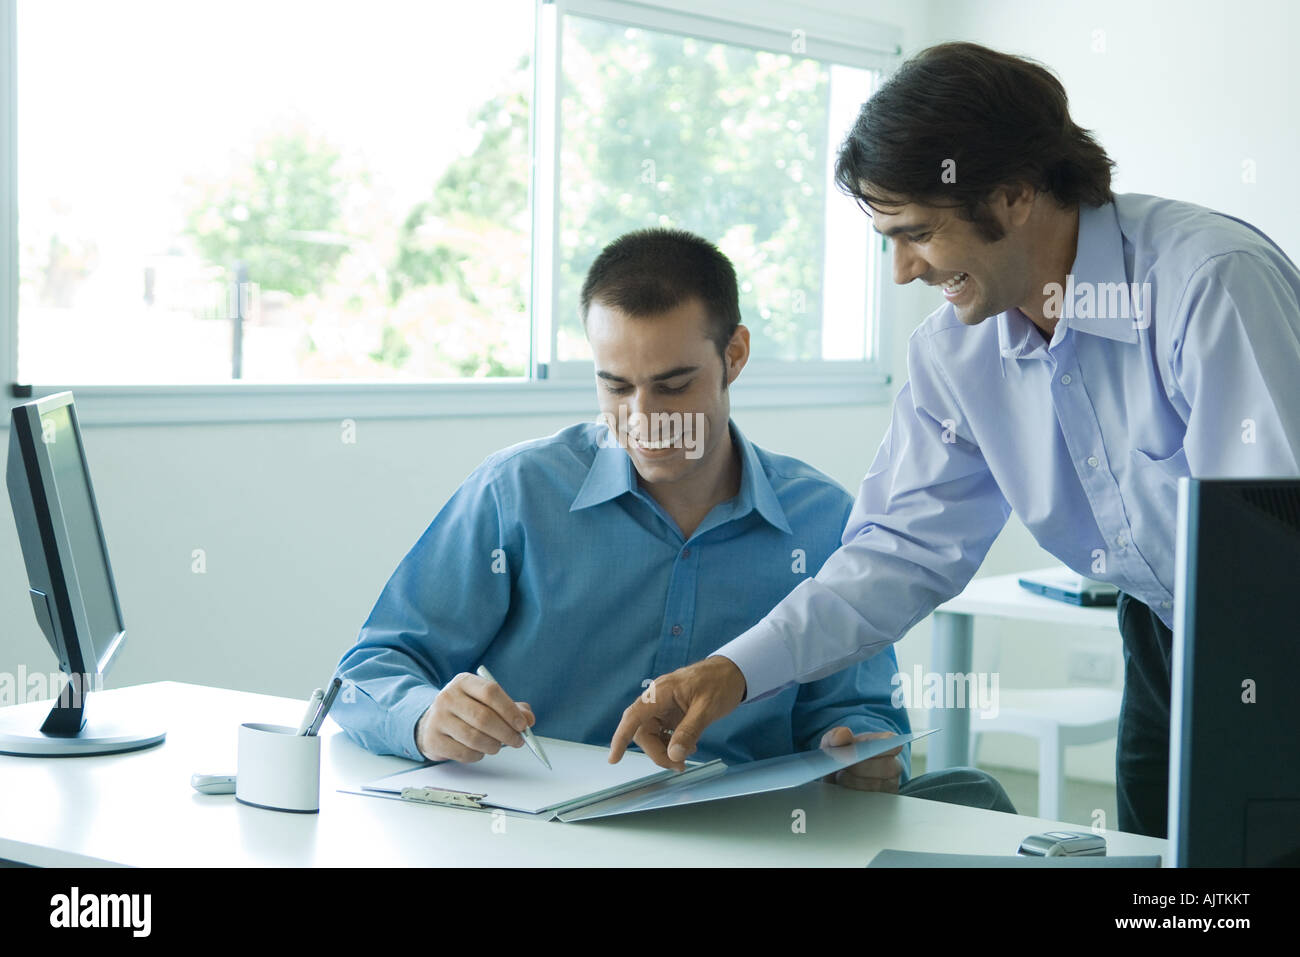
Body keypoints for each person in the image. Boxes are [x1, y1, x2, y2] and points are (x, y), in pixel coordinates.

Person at [608, 42, 1300, 840]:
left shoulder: (1209, 284)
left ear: (1012, 196)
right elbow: (896, 553)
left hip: (1275, 628)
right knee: (1166, 884)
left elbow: (1269, 547)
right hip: (1166, 637)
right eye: (887, 240)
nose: (903, 270)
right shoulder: (956, 352)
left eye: (918, 233)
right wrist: (734, 671)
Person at [331, 227, 1014, 812]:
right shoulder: (517, 494)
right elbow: (369, 670)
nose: (643, 418)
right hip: (540, 841)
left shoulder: (824, 518)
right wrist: (424, 717)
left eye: (674, 384)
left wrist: (856, 751)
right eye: (616, 385)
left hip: (745, 840)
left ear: (734, 355)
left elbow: (859, 713)